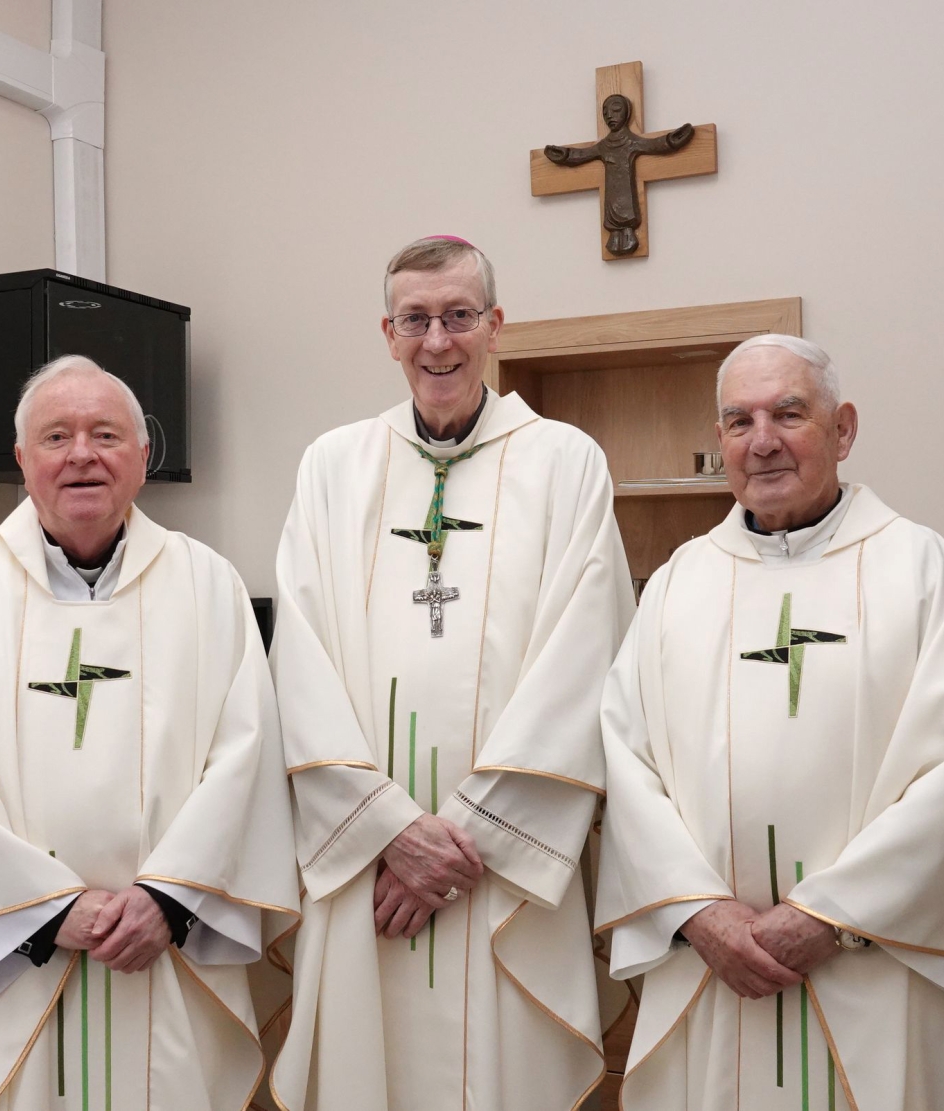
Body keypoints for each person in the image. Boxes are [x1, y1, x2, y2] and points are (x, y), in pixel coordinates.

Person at [0, 356, 298, 1111]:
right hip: (14, 964)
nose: (82, 455)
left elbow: (247, 754)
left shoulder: (208, 585)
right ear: (21, 458)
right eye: (56, 436)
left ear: (143, 454)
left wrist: (168, 900)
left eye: (106, 434)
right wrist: (48, 910)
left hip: (166, 953)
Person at [268, 235, 635, 1110]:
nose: (438, 341)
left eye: (460, 316)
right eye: (416, 319)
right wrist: (387, 831)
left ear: (496, 326)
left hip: (501, 873)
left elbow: (586, 656)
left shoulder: (565, 461)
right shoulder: (334, 466)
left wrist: (464, 841)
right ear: (388, 333)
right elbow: (300, 663)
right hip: (370, 869)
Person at [597, 335, 944, 1110]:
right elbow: (626, 755)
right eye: (740, 421)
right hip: (712, 970)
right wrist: (697, 912)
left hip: (875, 968)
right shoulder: (678, 583)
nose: (763, 441)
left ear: (843, 429)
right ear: (720, 440)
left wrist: (831, 913)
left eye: (788, 414)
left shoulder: (924, 570)